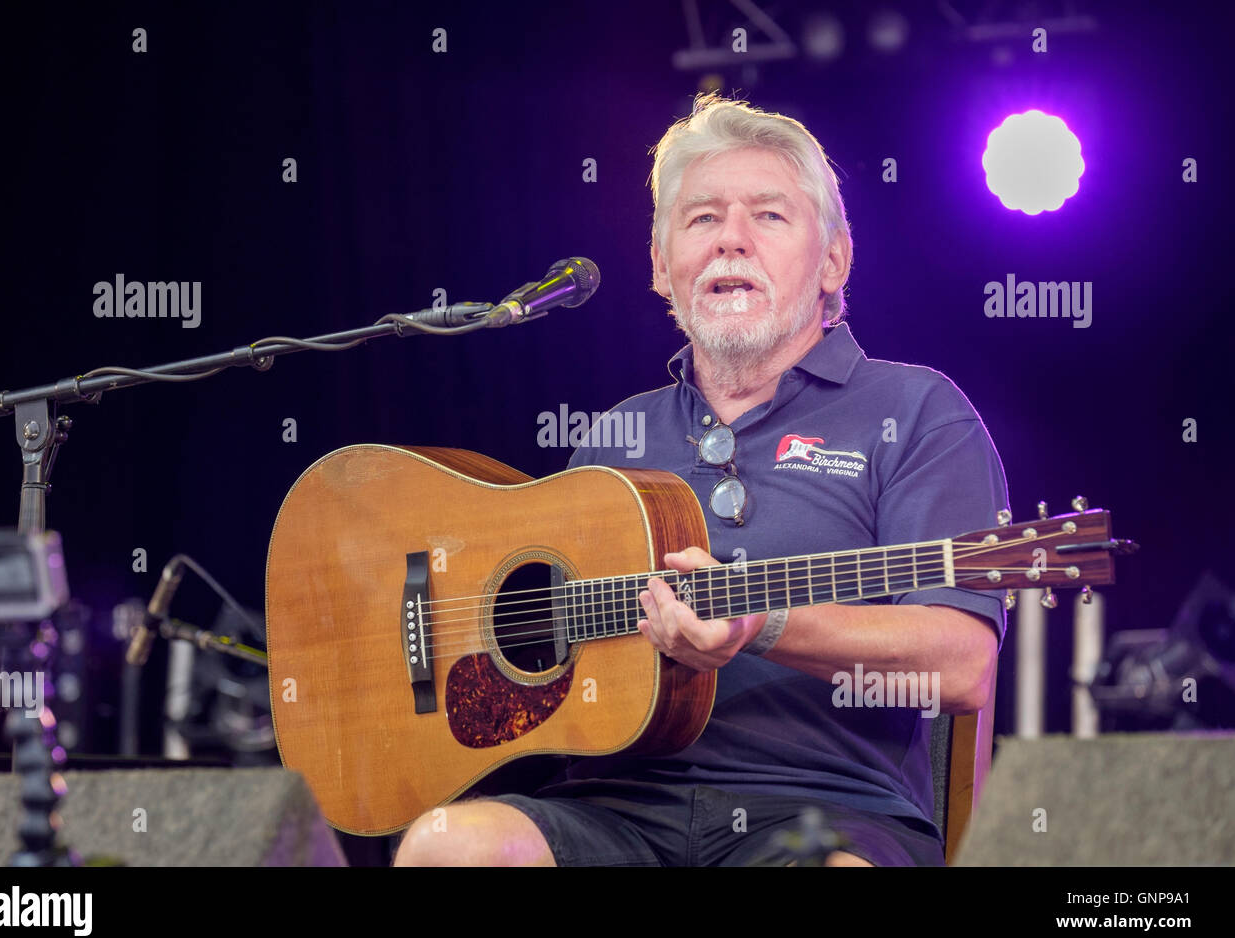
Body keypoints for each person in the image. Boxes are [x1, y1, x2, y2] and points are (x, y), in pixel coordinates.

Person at [393, 93, 1008, 867]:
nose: (731, 242)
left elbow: (962, 663)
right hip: (612, 812)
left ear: (834, 261)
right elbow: (534, 651)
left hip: (824, 812)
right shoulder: (613, 437)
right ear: (660, 266)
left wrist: (763, 622)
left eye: (770, 217)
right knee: (447, 845)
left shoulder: (917, 411)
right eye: (702, 219)